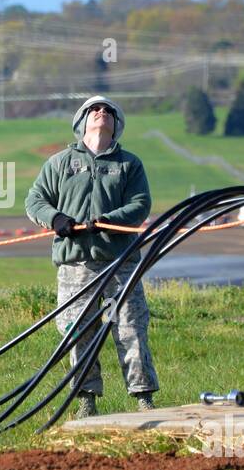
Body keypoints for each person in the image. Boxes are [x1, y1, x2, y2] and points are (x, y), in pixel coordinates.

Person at [25, 95, 159, 417]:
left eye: (108, 111)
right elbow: (35, 200)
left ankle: (143, 400)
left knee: (130, 328)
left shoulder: (129, 164)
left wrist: (108, 221)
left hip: (121, 263)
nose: (102, 113)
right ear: (82, 122)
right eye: (95, 110)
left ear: (116, 125)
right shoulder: (59, 163)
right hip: (75, 264)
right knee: (78, 330)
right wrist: (58, 220)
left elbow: (140, 204)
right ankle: (86, 399)